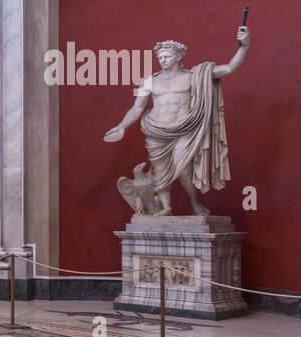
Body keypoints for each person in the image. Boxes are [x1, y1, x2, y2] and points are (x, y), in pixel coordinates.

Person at [104, 26, 249, 215]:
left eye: (167, 56)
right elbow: (137, 108)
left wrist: (244, 46)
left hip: (184, 129)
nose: (162, 60)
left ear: (179, 56)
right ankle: (166, 208)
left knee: (184, 171)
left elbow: (230, 68)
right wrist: (122, 126)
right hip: (156, 130)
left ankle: (195, 204)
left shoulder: (194, 76)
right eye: (160, 57)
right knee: (160, 171)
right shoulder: (149, 81)